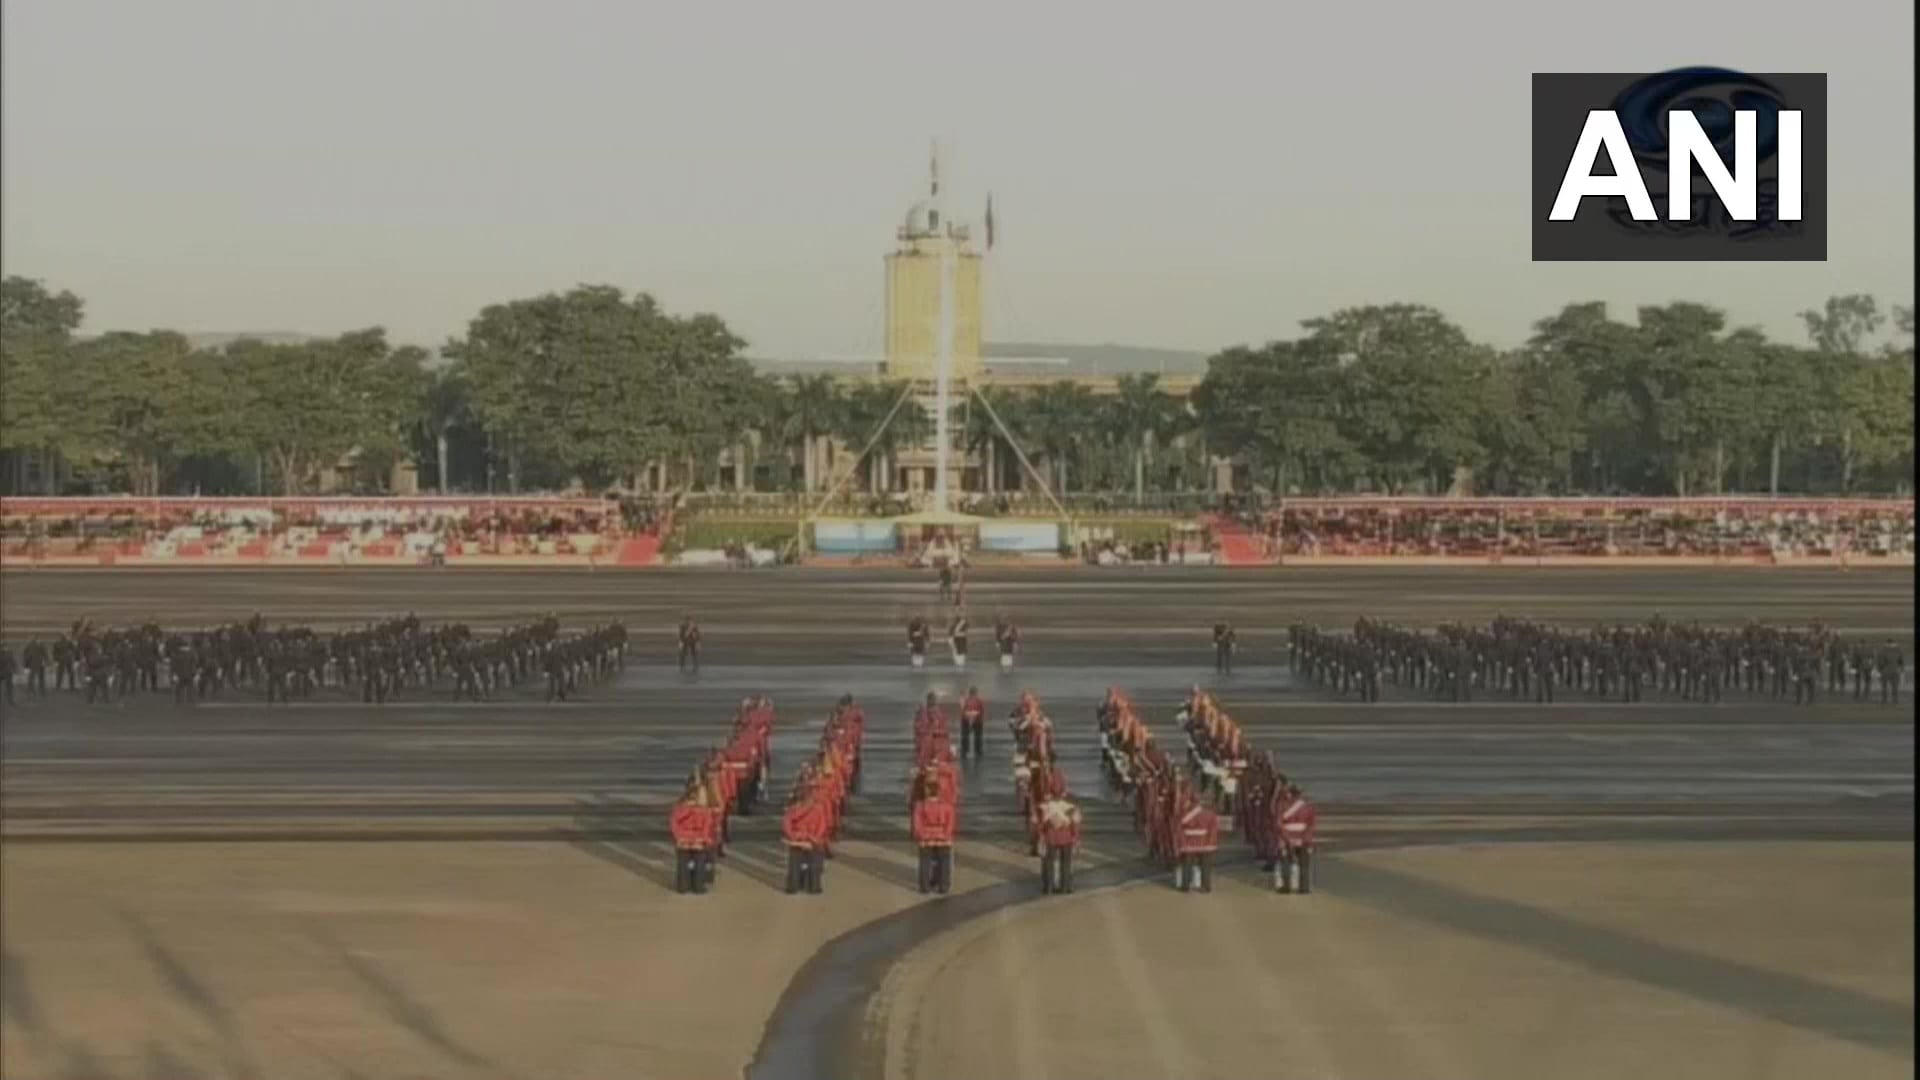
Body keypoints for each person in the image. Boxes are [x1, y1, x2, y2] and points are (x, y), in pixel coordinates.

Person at [669, 781, 721, 895]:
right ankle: (698, 886)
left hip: (683, 839)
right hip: (699, 840)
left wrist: (678, 836)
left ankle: (683, 886)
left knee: (683, 864)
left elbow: (674, 823)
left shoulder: (680, 808)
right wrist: (705, 839)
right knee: (699, 864)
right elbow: (707, 827)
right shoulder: (704, 811)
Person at [911, 774, 957, 895]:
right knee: (944, 862)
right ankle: (944, 885)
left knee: (925, 862)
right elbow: (950, 823)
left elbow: (917, 823)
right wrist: (946, 835)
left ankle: (924, 886)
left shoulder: (920, 806)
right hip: (943, 836)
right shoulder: (947, 806)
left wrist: (920, 835)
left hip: (926, 836)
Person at [1036, 773, 1082, 894]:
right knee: (1066, 863)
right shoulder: (1071, 806)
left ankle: (1049, 887)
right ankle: (1065, 886)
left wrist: (1041, 836)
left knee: (1048, 863)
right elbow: (1076, 824)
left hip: (1050, 837)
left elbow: (1040, 824)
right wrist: (1076, 838)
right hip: (1066, 838)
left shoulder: (1044, 806)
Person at [1273, 781, 1318, 894]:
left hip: (1286, 838)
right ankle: (1304, 887)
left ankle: (1286, 887)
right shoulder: (1307, 806)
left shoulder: (1282, 806)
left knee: (1286, 863)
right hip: (1304, 839)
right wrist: (1307, 837)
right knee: (1304, 865)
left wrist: (1285, 838)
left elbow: (1278, 824)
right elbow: (1311, 824)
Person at [959, 686, 986, 758]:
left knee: (966, 736)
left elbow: (963, 710)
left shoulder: (967, 700)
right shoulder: (979, 700)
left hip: (969, 719)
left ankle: (965, 750)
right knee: (977, 736)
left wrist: (968, 717)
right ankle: (977, 750)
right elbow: (982, 710)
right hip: (975, 720)